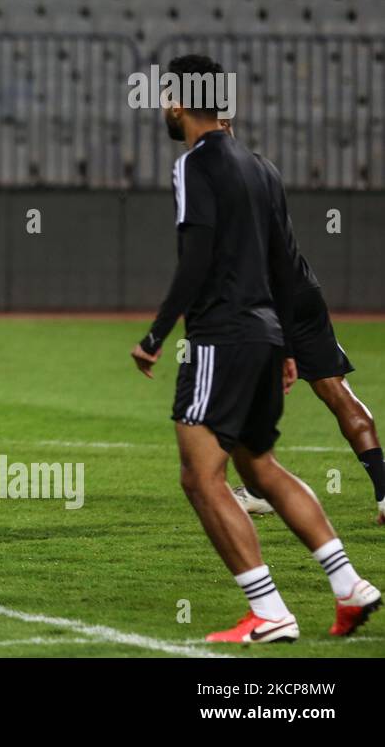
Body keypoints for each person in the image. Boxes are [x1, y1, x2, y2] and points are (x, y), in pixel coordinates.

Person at [130, 54, 379, 642]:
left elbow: (195, 259)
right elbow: (279, 263)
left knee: (199, 476)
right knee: (258, 466)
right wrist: (287, 345)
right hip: (268, 335)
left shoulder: (194, 166)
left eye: (167, 96)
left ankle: (268, 610)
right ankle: (348, 586)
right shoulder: (262, 167)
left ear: (177, 101)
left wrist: (156, 334)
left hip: (223, 337)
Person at [215, 122, 385, 525]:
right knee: (337, 392)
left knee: (235, 398)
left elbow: (252, 256)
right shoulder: (263, 169)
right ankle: (384, 492)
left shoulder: (221, 182)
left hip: (270, 303)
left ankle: (258, 492)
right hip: (303, 291)